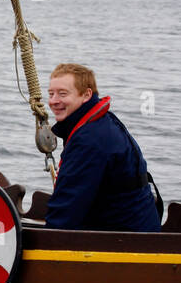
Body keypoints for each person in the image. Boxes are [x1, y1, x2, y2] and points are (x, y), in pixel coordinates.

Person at [44, 63, 161, 232]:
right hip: (140, 228)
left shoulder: (90, 140)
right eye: (51, 94)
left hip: (127, 240)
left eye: (63, 94)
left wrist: (48, 241)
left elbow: (68, 204)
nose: (54, 101)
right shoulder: (101, 122)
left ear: (86, 95)